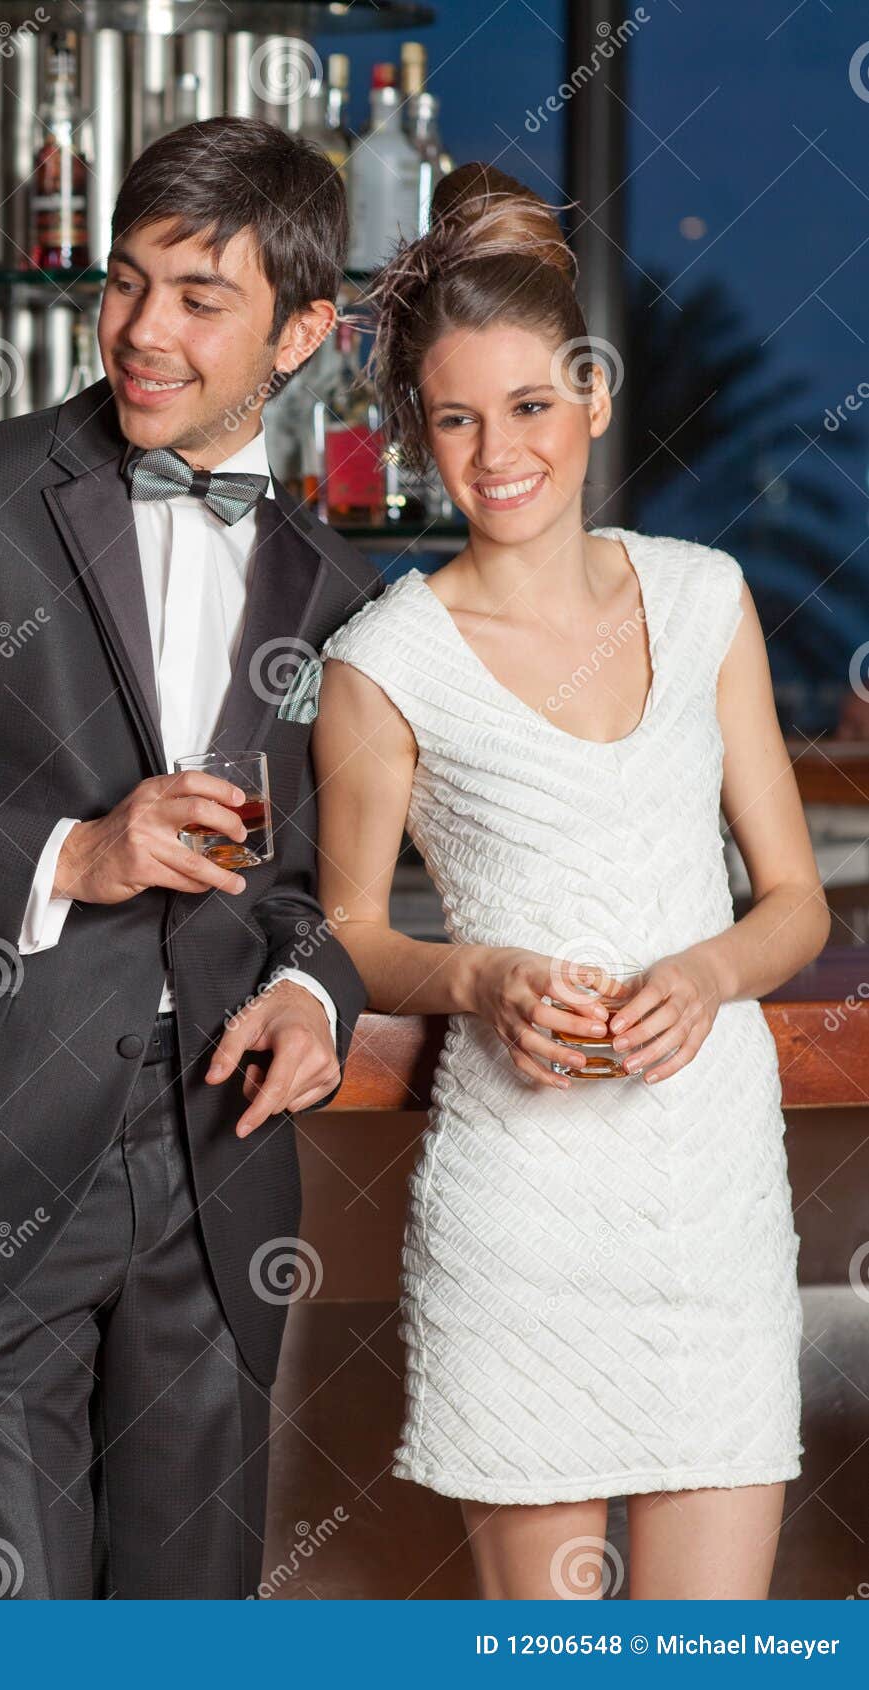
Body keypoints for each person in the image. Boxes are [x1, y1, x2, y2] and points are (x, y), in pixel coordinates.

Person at [0, 117, 379, 1599]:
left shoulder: (335, 589)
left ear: (304, 330)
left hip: (218, 1171)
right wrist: (71, 852)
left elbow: (317, 891)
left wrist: (314, 998)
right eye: (125, 284)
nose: (142, 331)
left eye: (200, 298)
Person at [285, 163, 829, 1599]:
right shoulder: (380, 661)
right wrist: (481, 975)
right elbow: (344, 928)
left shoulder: (703, 596)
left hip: (707, 1187)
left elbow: (793, 898)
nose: (496, 451)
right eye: (453, 420)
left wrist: (704, 972)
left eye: (528, 407)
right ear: (414, 438)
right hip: (520, 1209)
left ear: (589, 396)